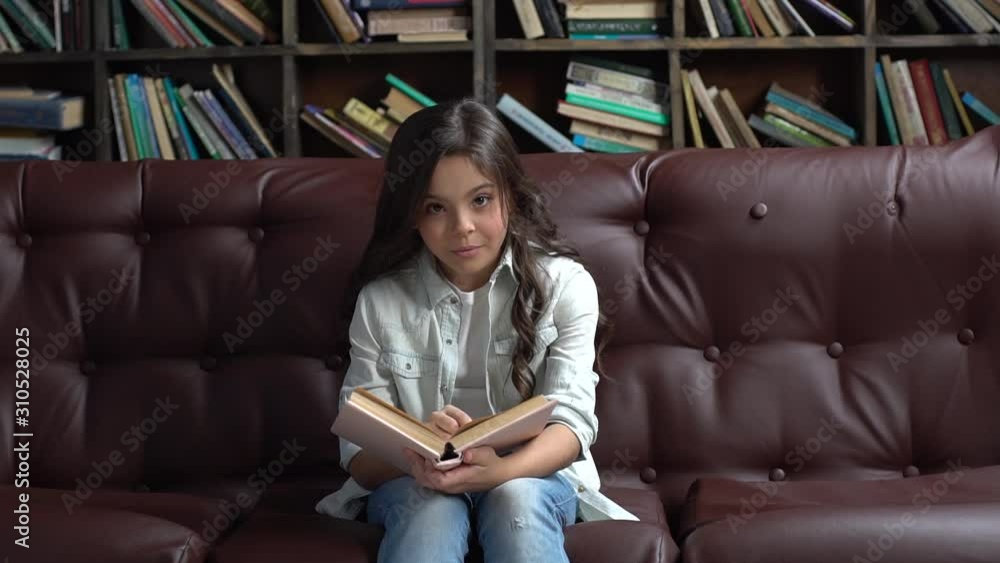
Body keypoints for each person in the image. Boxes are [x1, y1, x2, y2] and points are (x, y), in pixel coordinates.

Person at [314, 97, 638, 563]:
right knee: (431, 509)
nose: (462, 228)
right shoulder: (381, 300)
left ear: (510, 193)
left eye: (481, 200)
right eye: (435, 208)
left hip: (534, 478)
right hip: (413, 483)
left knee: (516, 499)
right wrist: (416, 453)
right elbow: (359, 456)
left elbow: (571, 425)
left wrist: (497, 473)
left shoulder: (566, 285)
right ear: (411, 213)